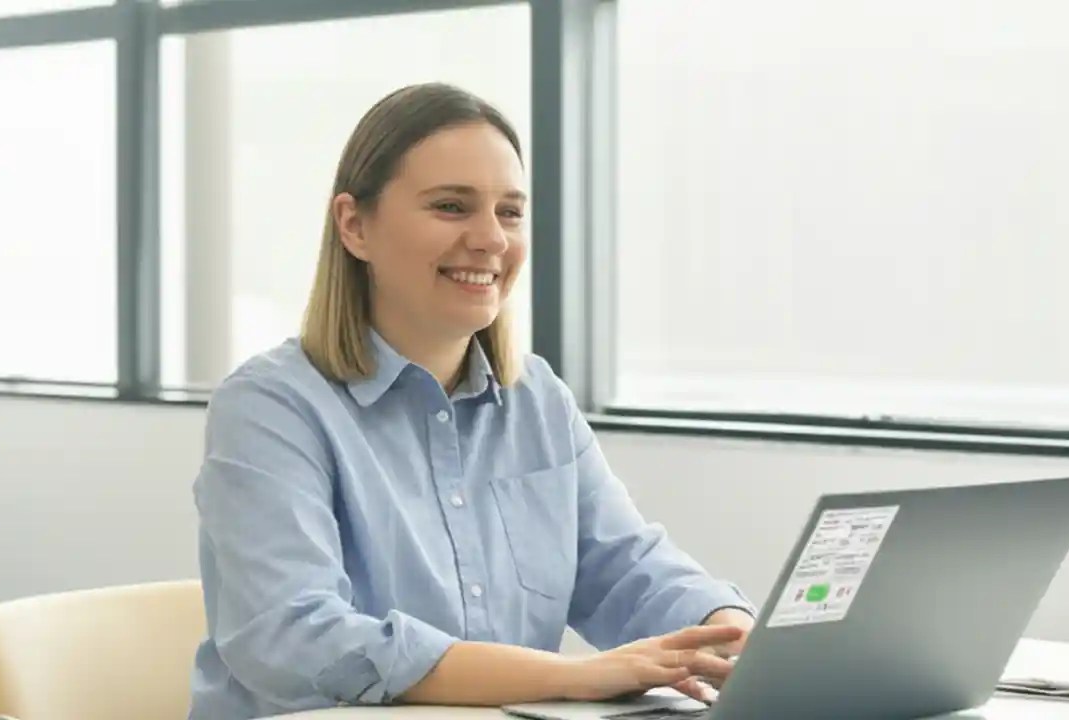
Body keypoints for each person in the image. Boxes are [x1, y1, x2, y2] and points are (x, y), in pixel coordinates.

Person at [188, 82, 756, 719]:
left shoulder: (538, 398)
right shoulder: (270, 407)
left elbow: (626, 569)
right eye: (452, 207)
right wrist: (569, 677)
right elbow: (293, 638)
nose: (491, 240)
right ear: (354, 226)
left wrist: (733, 636)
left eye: (510, 212)